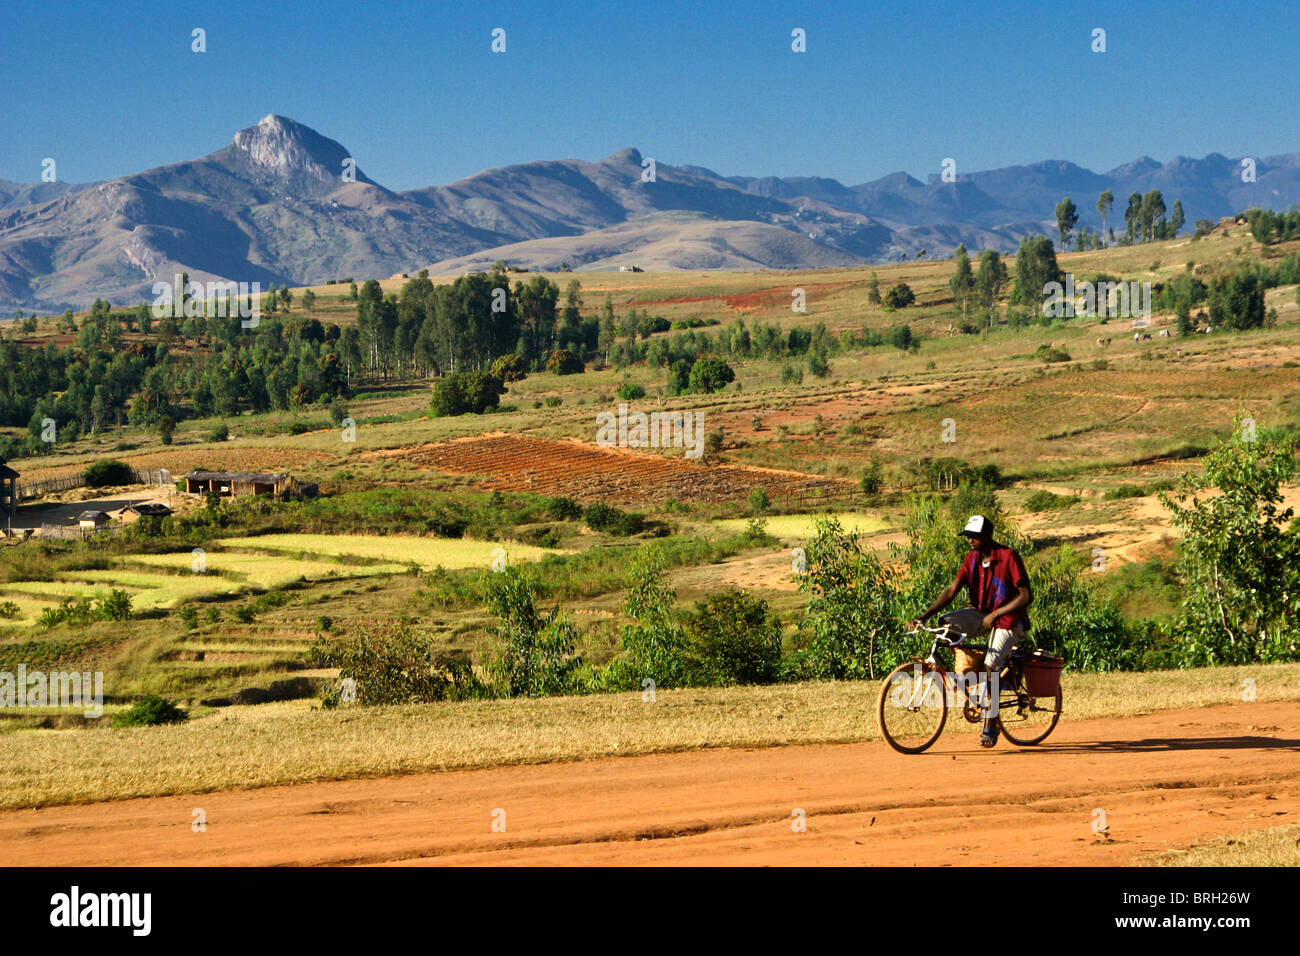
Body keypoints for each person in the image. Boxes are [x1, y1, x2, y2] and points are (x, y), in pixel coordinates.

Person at [908, 515, 1032, 748]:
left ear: (987, 536)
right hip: (981, 614)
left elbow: (1026, 596)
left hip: (1008, 618)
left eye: (974, 536)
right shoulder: (971, 560)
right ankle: (965, 673)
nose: (970, 541)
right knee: (946, 623)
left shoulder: (1008, 557)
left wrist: (995, 614)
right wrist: (923, 616)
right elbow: (951, 591)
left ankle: (991, 723)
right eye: (968, 536)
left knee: (992, 666)